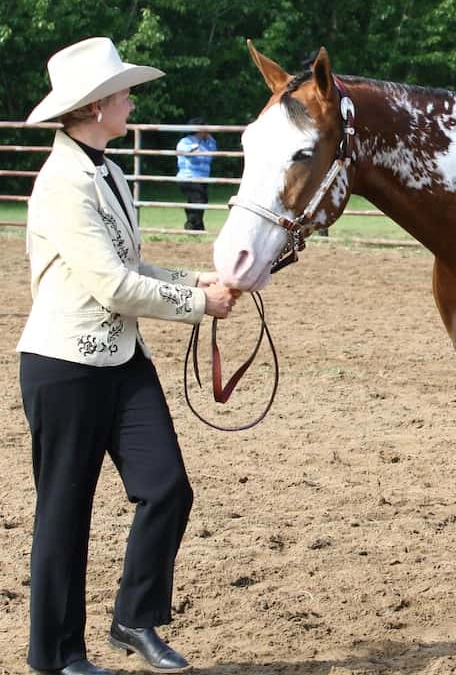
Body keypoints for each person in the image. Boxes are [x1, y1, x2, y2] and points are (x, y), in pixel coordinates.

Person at [20, 37, 240, 675]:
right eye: (121, 92)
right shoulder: (63, 182)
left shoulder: (108, 170)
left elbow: (130, 264)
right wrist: (198, 307)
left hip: (119, 360)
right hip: (64, 366)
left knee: (166, 487)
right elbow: (112, 286)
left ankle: (133, 618)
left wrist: (196, 280)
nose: (130, 99)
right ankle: (56, 655)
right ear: (94, 108)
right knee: (65, 510)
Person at [175, 117, 216, 231]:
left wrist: (209, 139)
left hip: (203, 178)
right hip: (189, 177)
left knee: (199, 200)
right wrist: (195, 148)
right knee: (199, 201)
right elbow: (185, 151)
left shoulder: (206, 142)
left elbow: (213, 150)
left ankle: (193, 225)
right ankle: (195, 226)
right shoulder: (185, 141)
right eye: (205, 128)